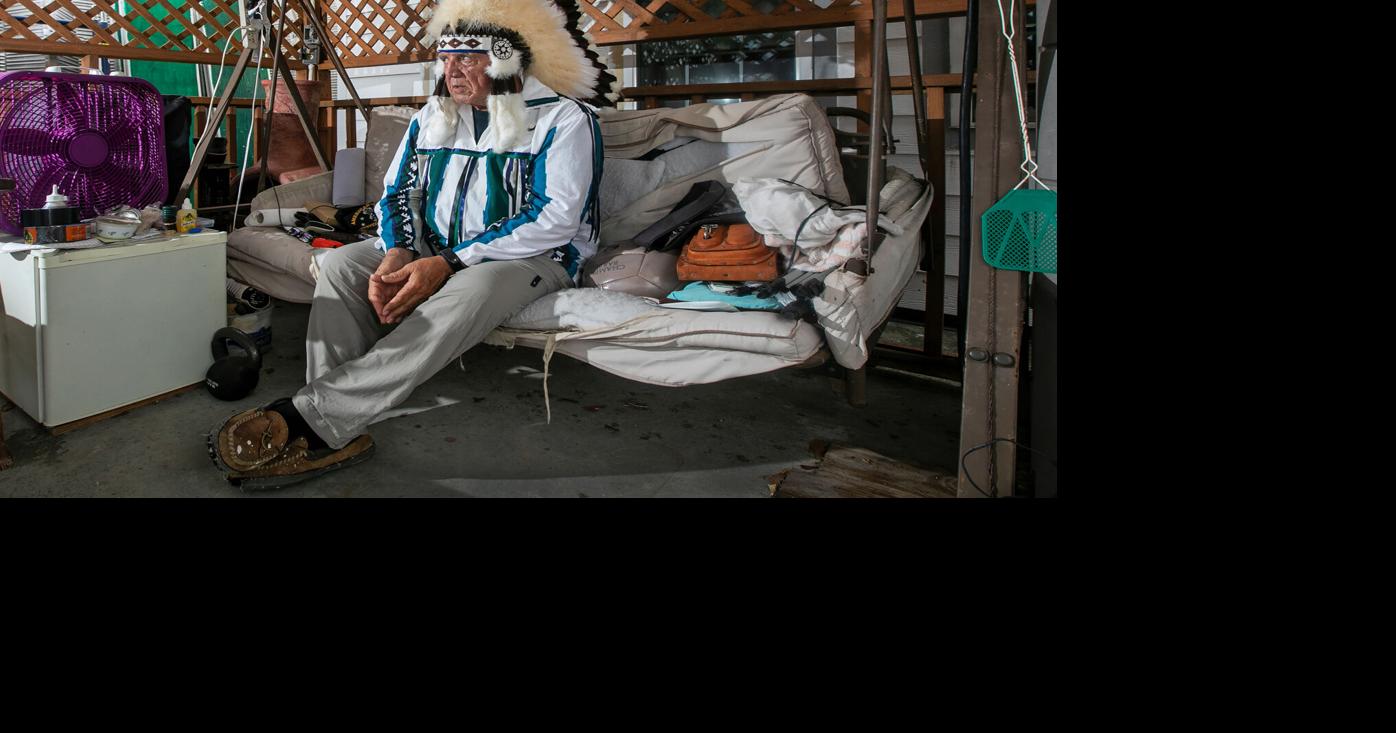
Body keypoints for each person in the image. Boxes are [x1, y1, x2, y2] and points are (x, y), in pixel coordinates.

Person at [207, 0, 618, 490]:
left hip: (531, 259)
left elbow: (554, 218)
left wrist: (448, 263)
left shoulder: (564, 119)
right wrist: (400, 249)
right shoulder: (433, 116)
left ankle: (311, 420)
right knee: (341, 265)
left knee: (472, 289)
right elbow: (399, 192)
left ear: (506, 59)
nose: (451, 71)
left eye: (467, 58)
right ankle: (335, 424)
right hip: (436, 249)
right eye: (445, 58)